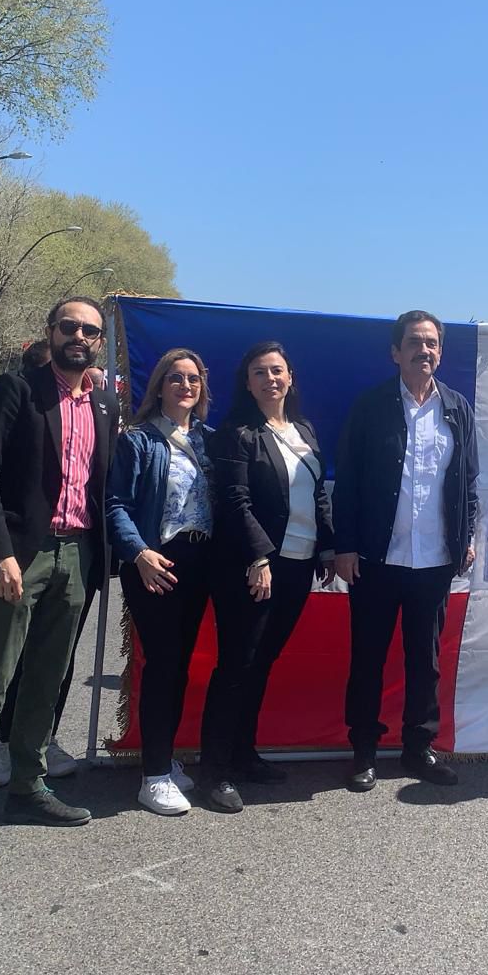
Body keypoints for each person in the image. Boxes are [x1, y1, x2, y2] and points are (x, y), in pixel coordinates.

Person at [0, 297, 118, 858]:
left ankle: (28, 785)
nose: (80, 336)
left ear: (99, 342)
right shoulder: (17, 389)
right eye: (70, 327)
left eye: (90, 330)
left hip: (78, 555)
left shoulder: (105, 402)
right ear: (51, 332)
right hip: (23, 554)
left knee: (49, 676)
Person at [334, 310, 479, 792]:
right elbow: (348, 482)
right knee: (368, 657)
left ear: (441, 351)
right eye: (415, 342)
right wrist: (347, 545)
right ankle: (364, 752)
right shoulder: (370, 406)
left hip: (435, 561)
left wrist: (468, 536)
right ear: (395, 352)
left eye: (432, 343)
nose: (425, 350)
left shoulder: (456, 408)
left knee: (426, 660)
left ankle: (419, 749)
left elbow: (469, 483)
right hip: (375, 559)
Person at [201, 342, 335, 814]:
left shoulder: (304, 431)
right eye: (260, 372)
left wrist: (329, 546)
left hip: (298, 566)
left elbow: (318, 495)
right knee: (236, 667)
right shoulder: (237, 435)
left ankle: (243, 754)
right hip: (253, 568)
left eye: (277, 370)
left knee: (260, 665)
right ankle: (214, 771)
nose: (270, 379)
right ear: (248, 382)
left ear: (290, 377)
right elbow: (233, 501)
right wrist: (258, 557)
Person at [104, 347, 217, 816]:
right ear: (159, 386)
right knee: (163, 664)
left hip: (200, 560)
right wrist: (139, 553)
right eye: (176, 378)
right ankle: (152, 776)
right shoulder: (139, 441)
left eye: (193, 379)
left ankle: (164, 759)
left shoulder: (211, 439)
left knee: (180, 665)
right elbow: (115, 505)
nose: (185, 386)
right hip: (156, 561)